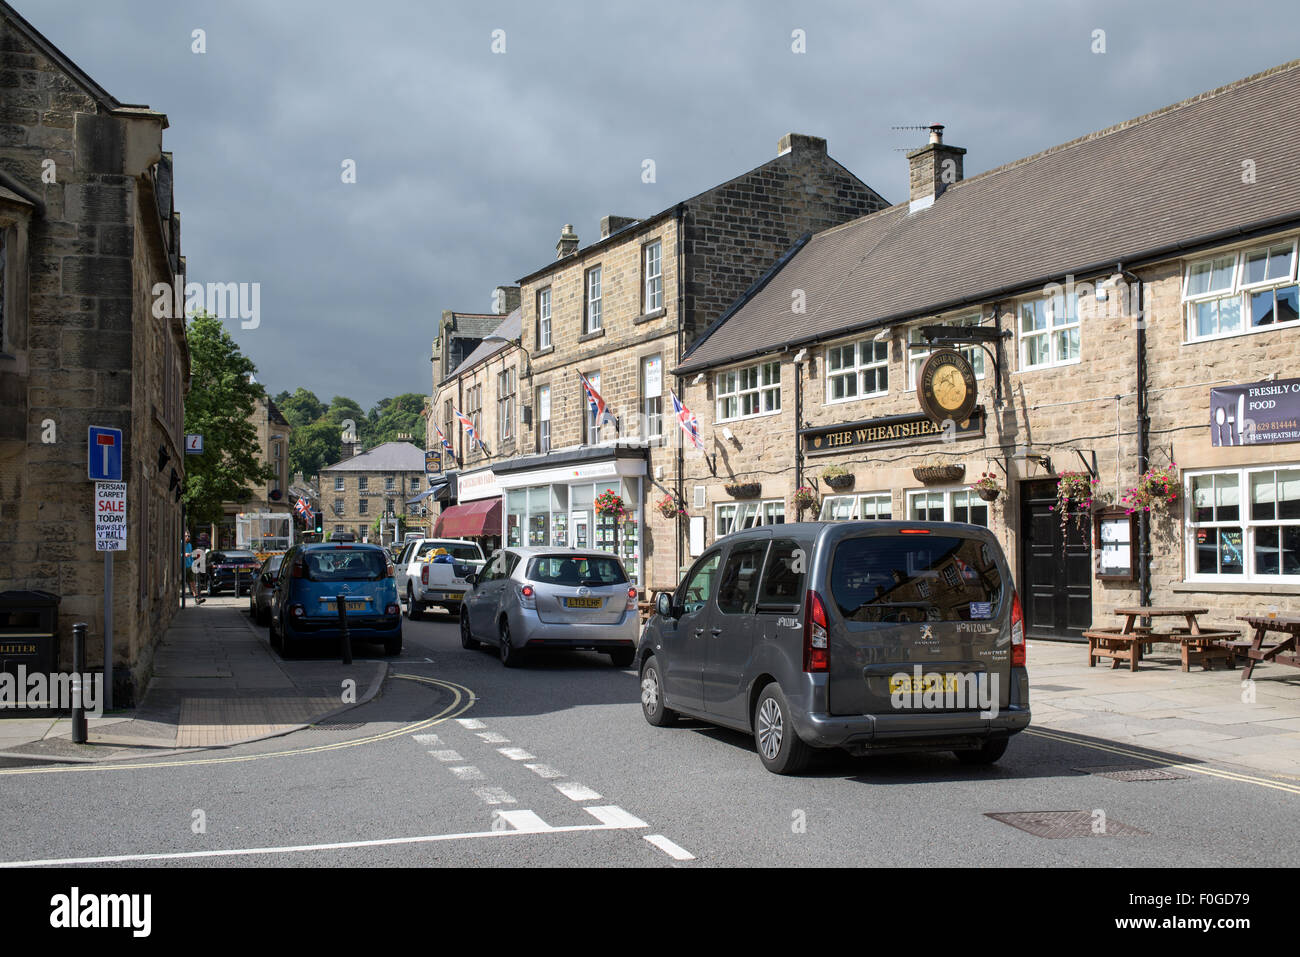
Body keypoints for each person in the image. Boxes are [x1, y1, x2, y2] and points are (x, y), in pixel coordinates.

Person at [183, 531, 205, 604]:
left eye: (189, 536)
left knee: (192, 582)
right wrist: (183, 554)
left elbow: (191, 556)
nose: (187, 537)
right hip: (183, 566)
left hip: (189, 566)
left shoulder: (189, 545)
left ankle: (197, 599)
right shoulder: (180, 544)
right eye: (186, 536)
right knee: (182, 583)